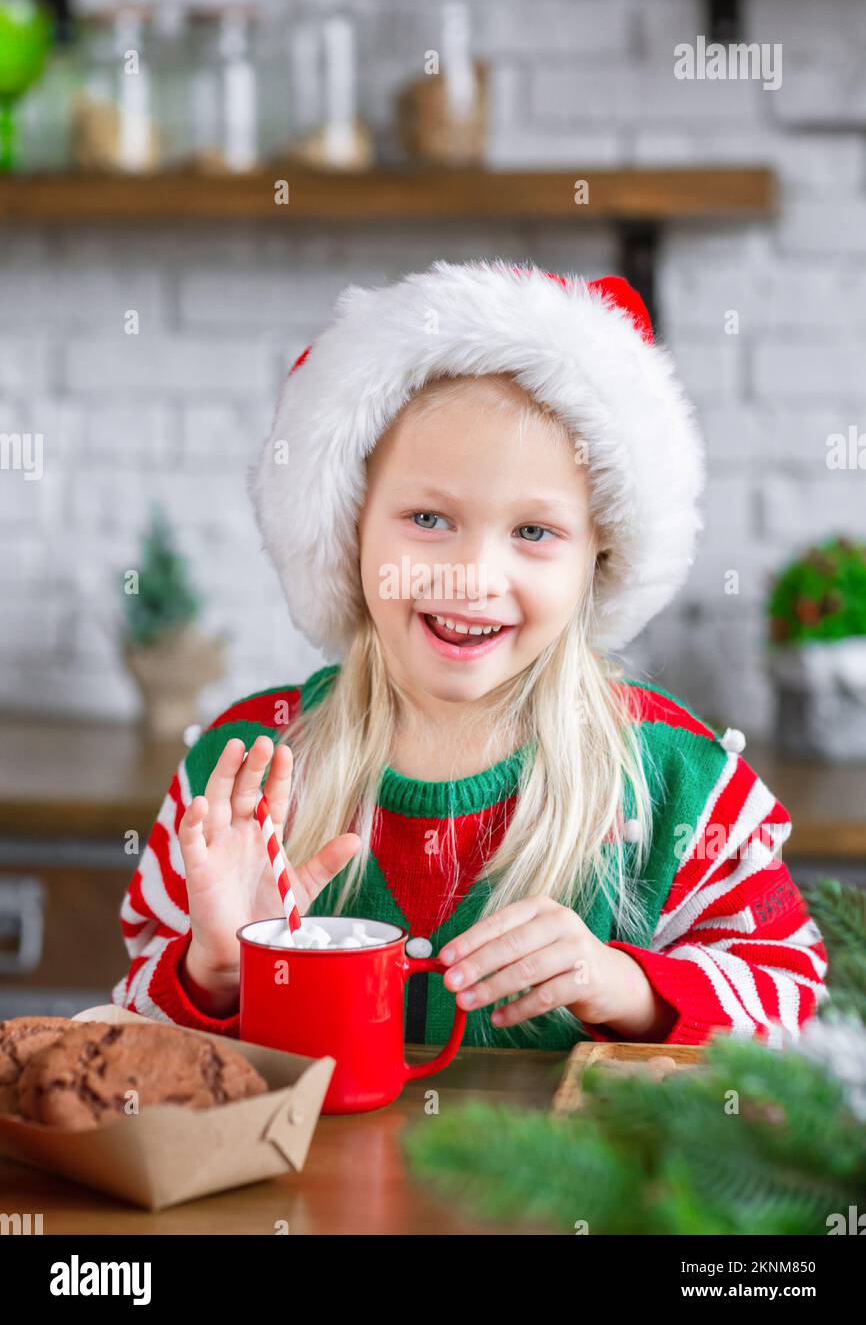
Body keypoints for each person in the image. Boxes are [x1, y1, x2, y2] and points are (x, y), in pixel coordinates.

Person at [112, 260, 828, 1049]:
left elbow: (792, 999)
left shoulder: (678, 780)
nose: (471, 577)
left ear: (600, 555)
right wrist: (215, 971)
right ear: (348, 530)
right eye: (427, 517)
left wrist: (624, 985)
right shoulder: (243, 770)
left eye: (533, 532)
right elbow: (136, 1029)